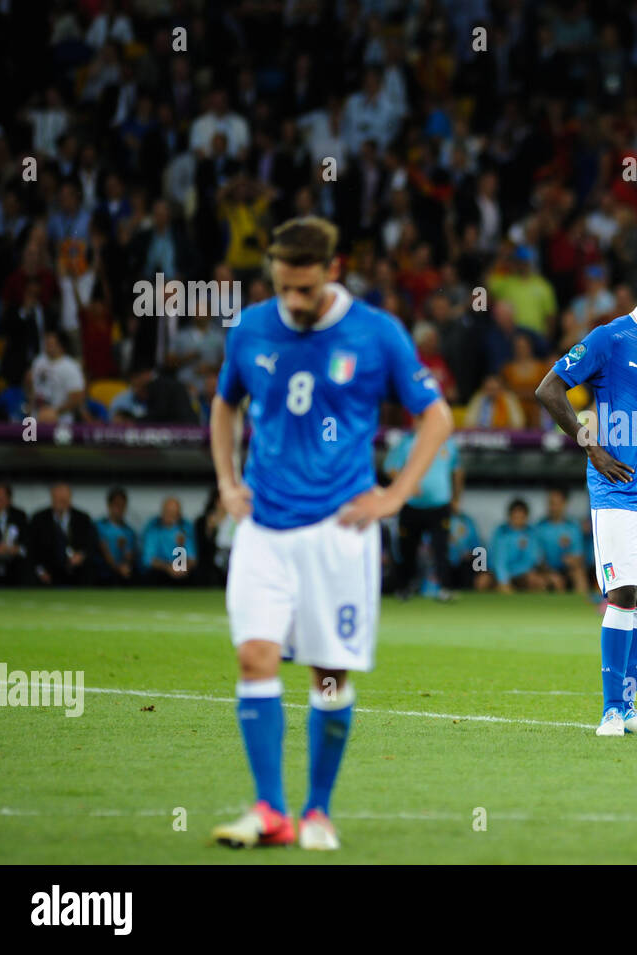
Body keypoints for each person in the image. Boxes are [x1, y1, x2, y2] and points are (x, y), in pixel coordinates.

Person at [208, 217, 453, 851]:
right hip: (263, 527)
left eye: (306, 289)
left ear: (333, 270)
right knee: (254, 656)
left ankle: (317, 810)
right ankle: (270, 810)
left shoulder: (377, 333)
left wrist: (395, 494)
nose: (294, 301)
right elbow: (223, 403)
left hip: (338, 532)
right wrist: (227, 481)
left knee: (327, 676)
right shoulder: (252, 327)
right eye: (284, 287)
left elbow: (436, 416)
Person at [534, 254, 637, 737]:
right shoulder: (610, 338)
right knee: (621, 596)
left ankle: (628, 708)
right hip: (617, 489)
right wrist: (593, 450)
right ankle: (608, 711)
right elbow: (549, 390)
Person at [382, 428, 461, 601]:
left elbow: (457, 471)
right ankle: (404, 588)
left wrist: (457, 498)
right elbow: (390, 467)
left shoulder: (448, 443)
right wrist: (406, 484)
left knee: (441, 548)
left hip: (440, 505)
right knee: (407, 548)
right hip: (412, 505)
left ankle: (444, 589)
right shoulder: (407, 442)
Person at [29, 482, 99, 586]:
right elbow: (31, 548)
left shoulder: (83, 518)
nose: (62, 502)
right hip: (49, 571)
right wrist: (41, 571)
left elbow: (92, 544)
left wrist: (81, 556)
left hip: (77, 572)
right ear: (52, 498)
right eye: (58, 499)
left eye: (64, 500)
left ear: (70, 499)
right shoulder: (39, 519)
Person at [534, 487, 588, 593]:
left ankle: (582, 605)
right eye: (551, 503)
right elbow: (537, 559)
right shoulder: (539, 527)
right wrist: (548, 571)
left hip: (568, 570)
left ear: (564, 504)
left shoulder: (573, 526)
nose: (553, 507)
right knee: (549, 581)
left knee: (579, 573)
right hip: (546, 571)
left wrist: (572, 560)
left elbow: (579, 555)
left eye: (556, 503)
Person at [489, 498, 548, 592]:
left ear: (526, 517)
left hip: (523, 574)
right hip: (500, 574)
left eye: (521, 517)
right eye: (515, 517)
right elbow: (499, 561)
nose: (518, 520)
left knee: (539, 582)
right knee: (484, 582)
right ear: (510, 516)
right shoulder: (501, 532)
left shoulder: (531, 533)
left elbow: (534, 559)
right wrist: (504, 581)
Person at [141, 496, 197, 585]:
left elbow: (192, 559)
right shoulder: (153, 531)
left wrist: (184, 567)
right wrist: (168, 568)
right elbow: (148, 560)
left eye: (175, 513)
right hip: (160, 573)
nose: (171, 516)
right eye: (169, 512)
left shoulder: (185, 531)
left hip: (182, 572)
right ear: (162, 512)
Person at [0, 482, 29, 586]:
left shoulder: (19, 516)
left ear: (9, 499)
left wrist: (17, 549)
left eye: (2, 498)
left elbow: (28, 541)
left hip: (14, 564)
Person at [95, 486, 138, 585]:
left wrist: (123, 550)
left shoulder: (129, 532)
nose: (119, 509)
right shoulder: (99, 526)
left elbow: (129, 557)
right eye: (116, 505)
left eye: (122, 505)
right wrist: (117, 567)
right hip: (104, 570)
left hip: (122, 570)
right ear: (109, 505)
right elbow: (104, 551)